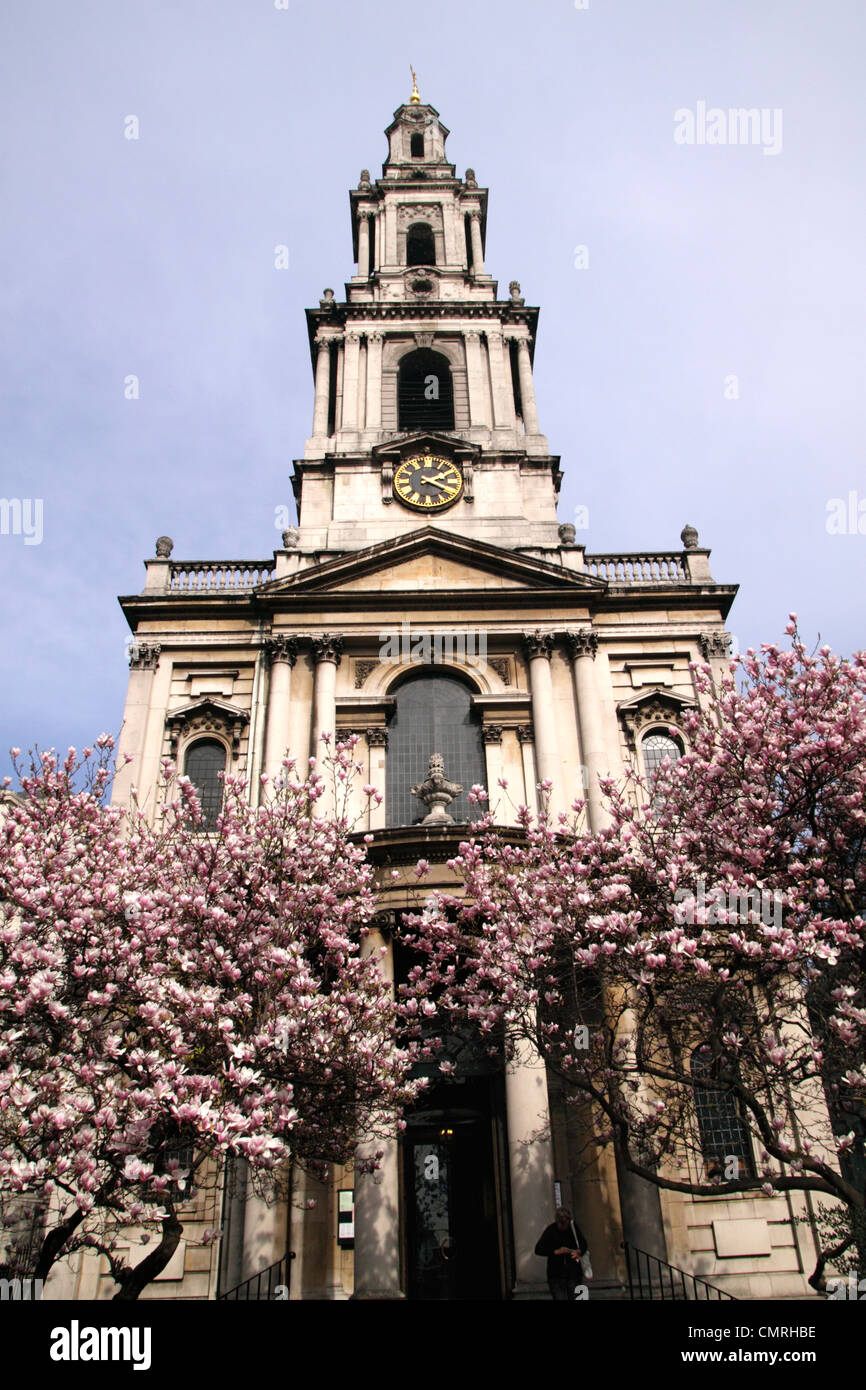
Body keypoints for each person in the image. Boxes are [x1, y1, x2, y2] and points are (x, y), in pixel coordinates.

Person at [534, 1206, 588, 1301]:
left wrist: (578, 1252)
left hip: (573, 1273)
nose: (563, 1227)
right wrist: (555, 1251)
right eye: (561, 1224)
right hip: (556, 1274)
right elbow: (538, 1249)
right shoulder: (551, 1230)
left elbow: (583, 1244)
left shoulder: (573, 1229)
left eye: (565, 1224)